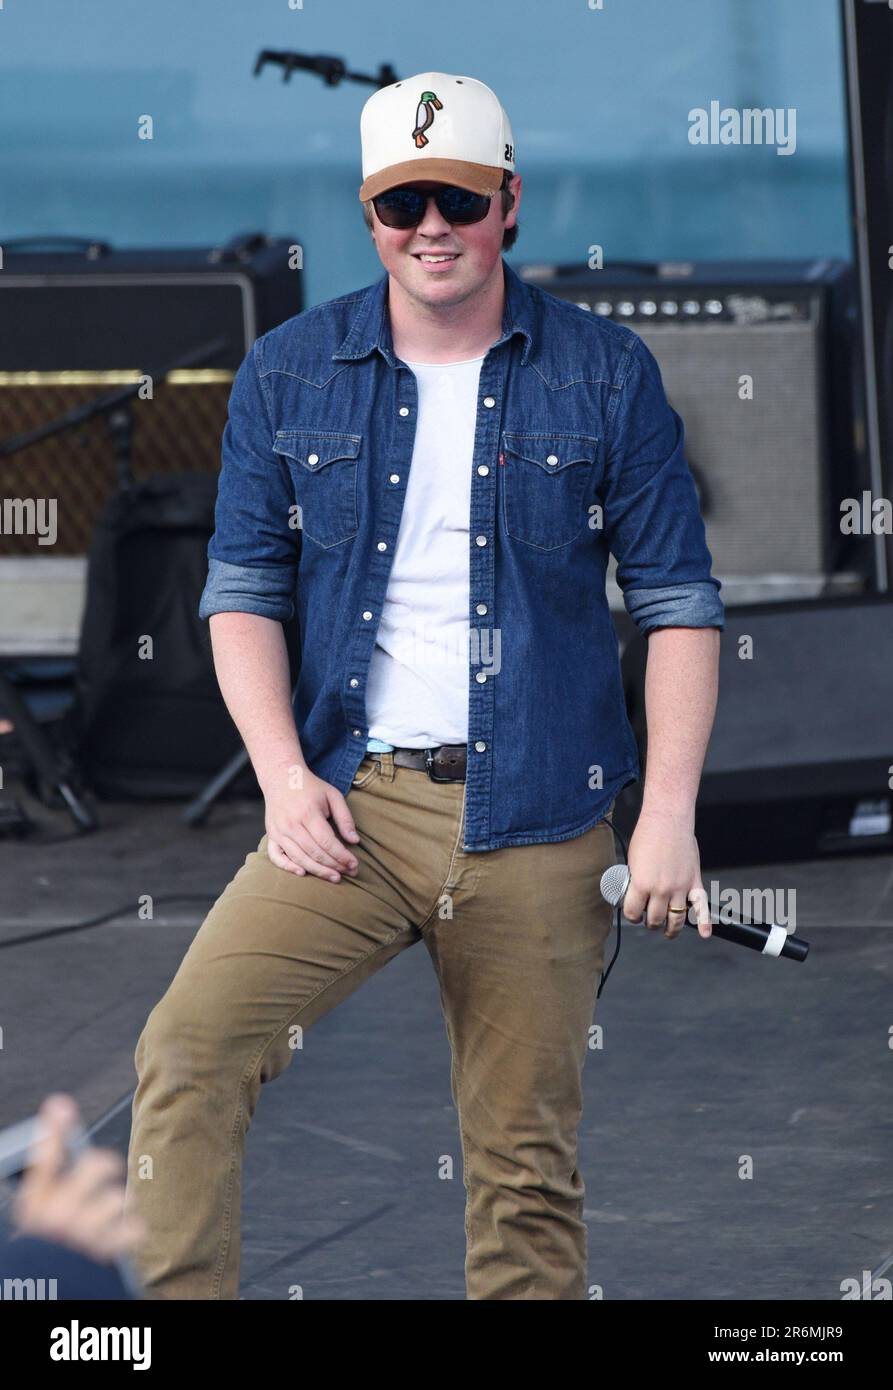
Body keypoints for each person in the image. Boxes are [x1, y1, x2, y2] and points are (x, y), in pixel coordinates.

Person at [125, 70, 723, 1301]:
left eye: (457, 195)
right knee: (185, 1054)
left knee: (522, 1171)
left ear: (509, 201)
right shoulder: (291, 372)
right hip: (353, 801)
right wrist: (283, 779)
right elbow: (239, 591)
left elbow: (677, 607)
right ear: (368, 215)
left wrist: (665, 816)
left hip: (546, 812)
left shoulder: (604, 373)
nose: (431, 226)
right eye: (403, 205)